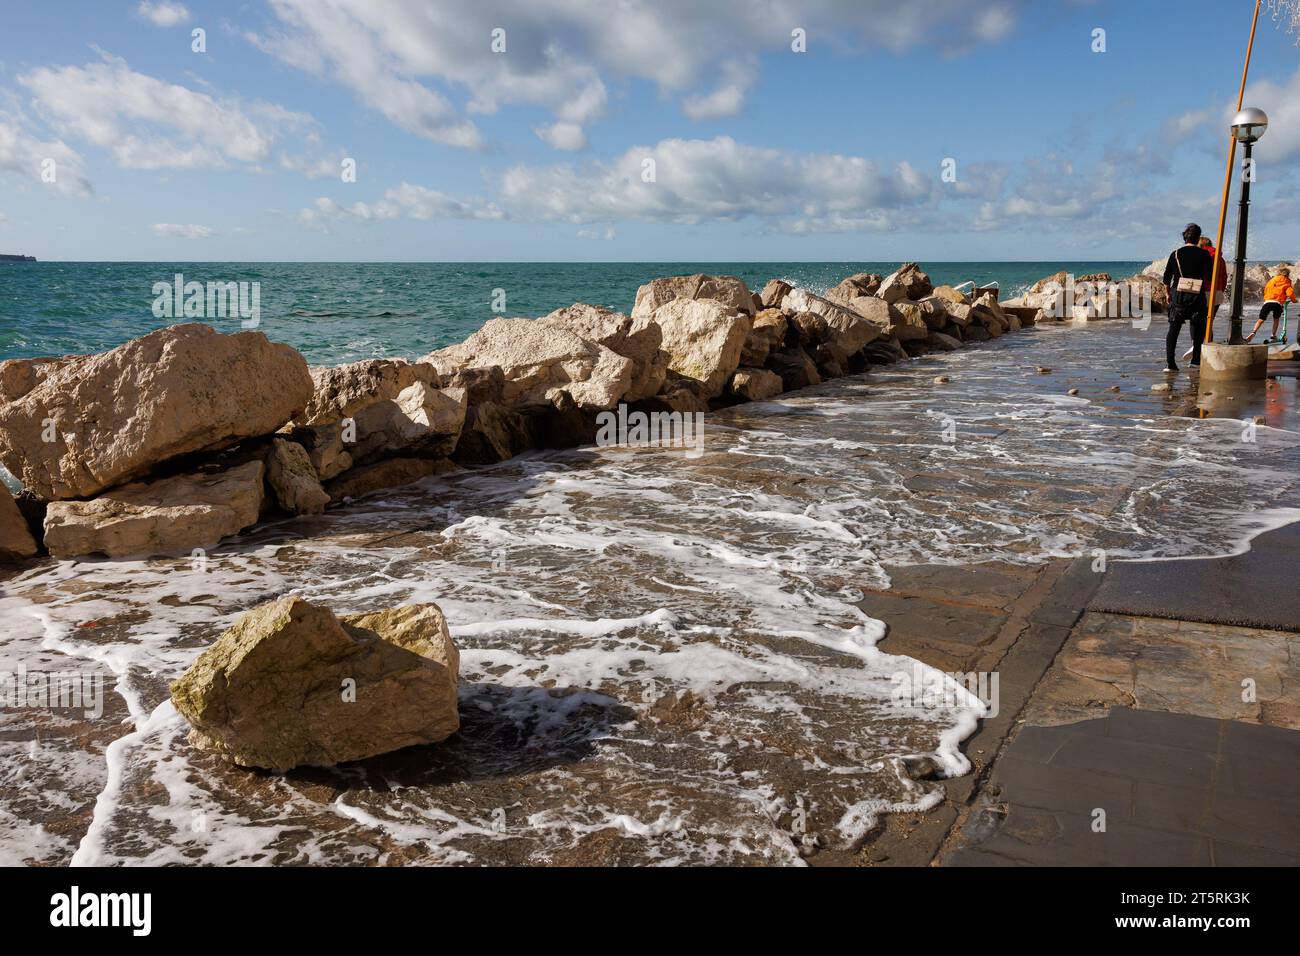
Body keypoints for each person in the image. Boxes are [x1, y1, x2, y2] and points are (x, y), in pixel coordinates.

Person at [1161, 223, 1214, 371]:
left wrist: (1167, 294)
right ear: (1198, 238)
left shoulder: (1175, 254)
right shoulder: (1204, 255)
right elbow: (1209, 277)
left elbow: (1166, 278)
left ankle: (1170, 363)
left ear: (1185, 237)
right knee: (1198, 328)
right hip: (1197, 294)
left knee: (1174, 328)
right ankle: (1196, 360)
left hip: (1178, 294)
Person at [1245, 266, 1297, 344]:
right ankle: (1273, 335)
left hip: (1268, 302)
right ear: (1287, 274)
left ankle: (1253, 332)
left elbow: (1266, 289)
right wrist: (1294, 300)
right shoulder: (1287, 282)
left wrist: (1267, 298)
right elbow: (1290, 293)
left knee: (1261, 320)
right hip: (1277, 303)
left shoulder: (1272, 280)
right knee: (1276, 320)